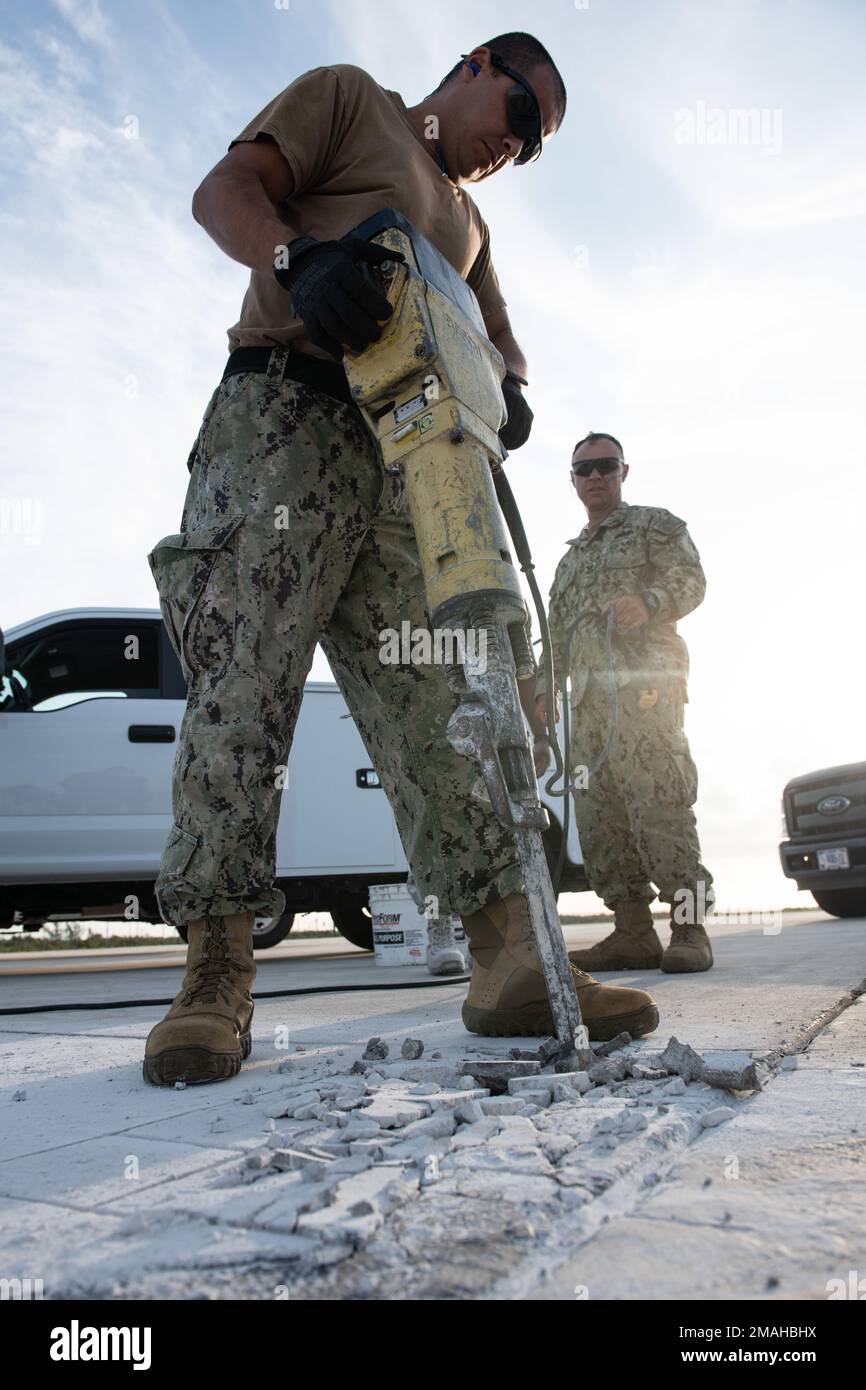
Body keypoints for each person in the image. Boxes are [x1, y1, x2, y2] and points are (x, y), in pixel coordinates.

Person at [143, 37, 658, 1086]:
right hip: (283, 416)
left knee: (442, 706)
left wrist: (506, 390)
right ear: (471, 67)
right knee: (242, 684)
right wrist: (299, 259)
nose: (511, 142)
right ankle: (215, 967)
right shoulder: (347, 101)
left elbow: (503, 347)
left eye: (532, 141)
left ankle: (509, 956)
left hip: (405, 465)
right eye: (514, 107)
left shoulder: (468, 226)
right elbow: (224, 191)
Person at [535, 431, 714, 973]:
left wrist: (649, 601)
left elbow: (693, 580)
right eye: (584, 469)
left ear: (623, 472)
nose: (595, 477)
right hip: (588, 713)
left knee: (659, 804)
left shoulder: (653, 526)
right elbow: (556, 636)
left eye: (605, 466)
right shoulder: (567, 565)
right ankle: (633, 931)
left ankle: (690, 928)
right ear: (572, 480)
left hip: (646, 695)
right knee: (601, 818)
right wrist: (544, 690)